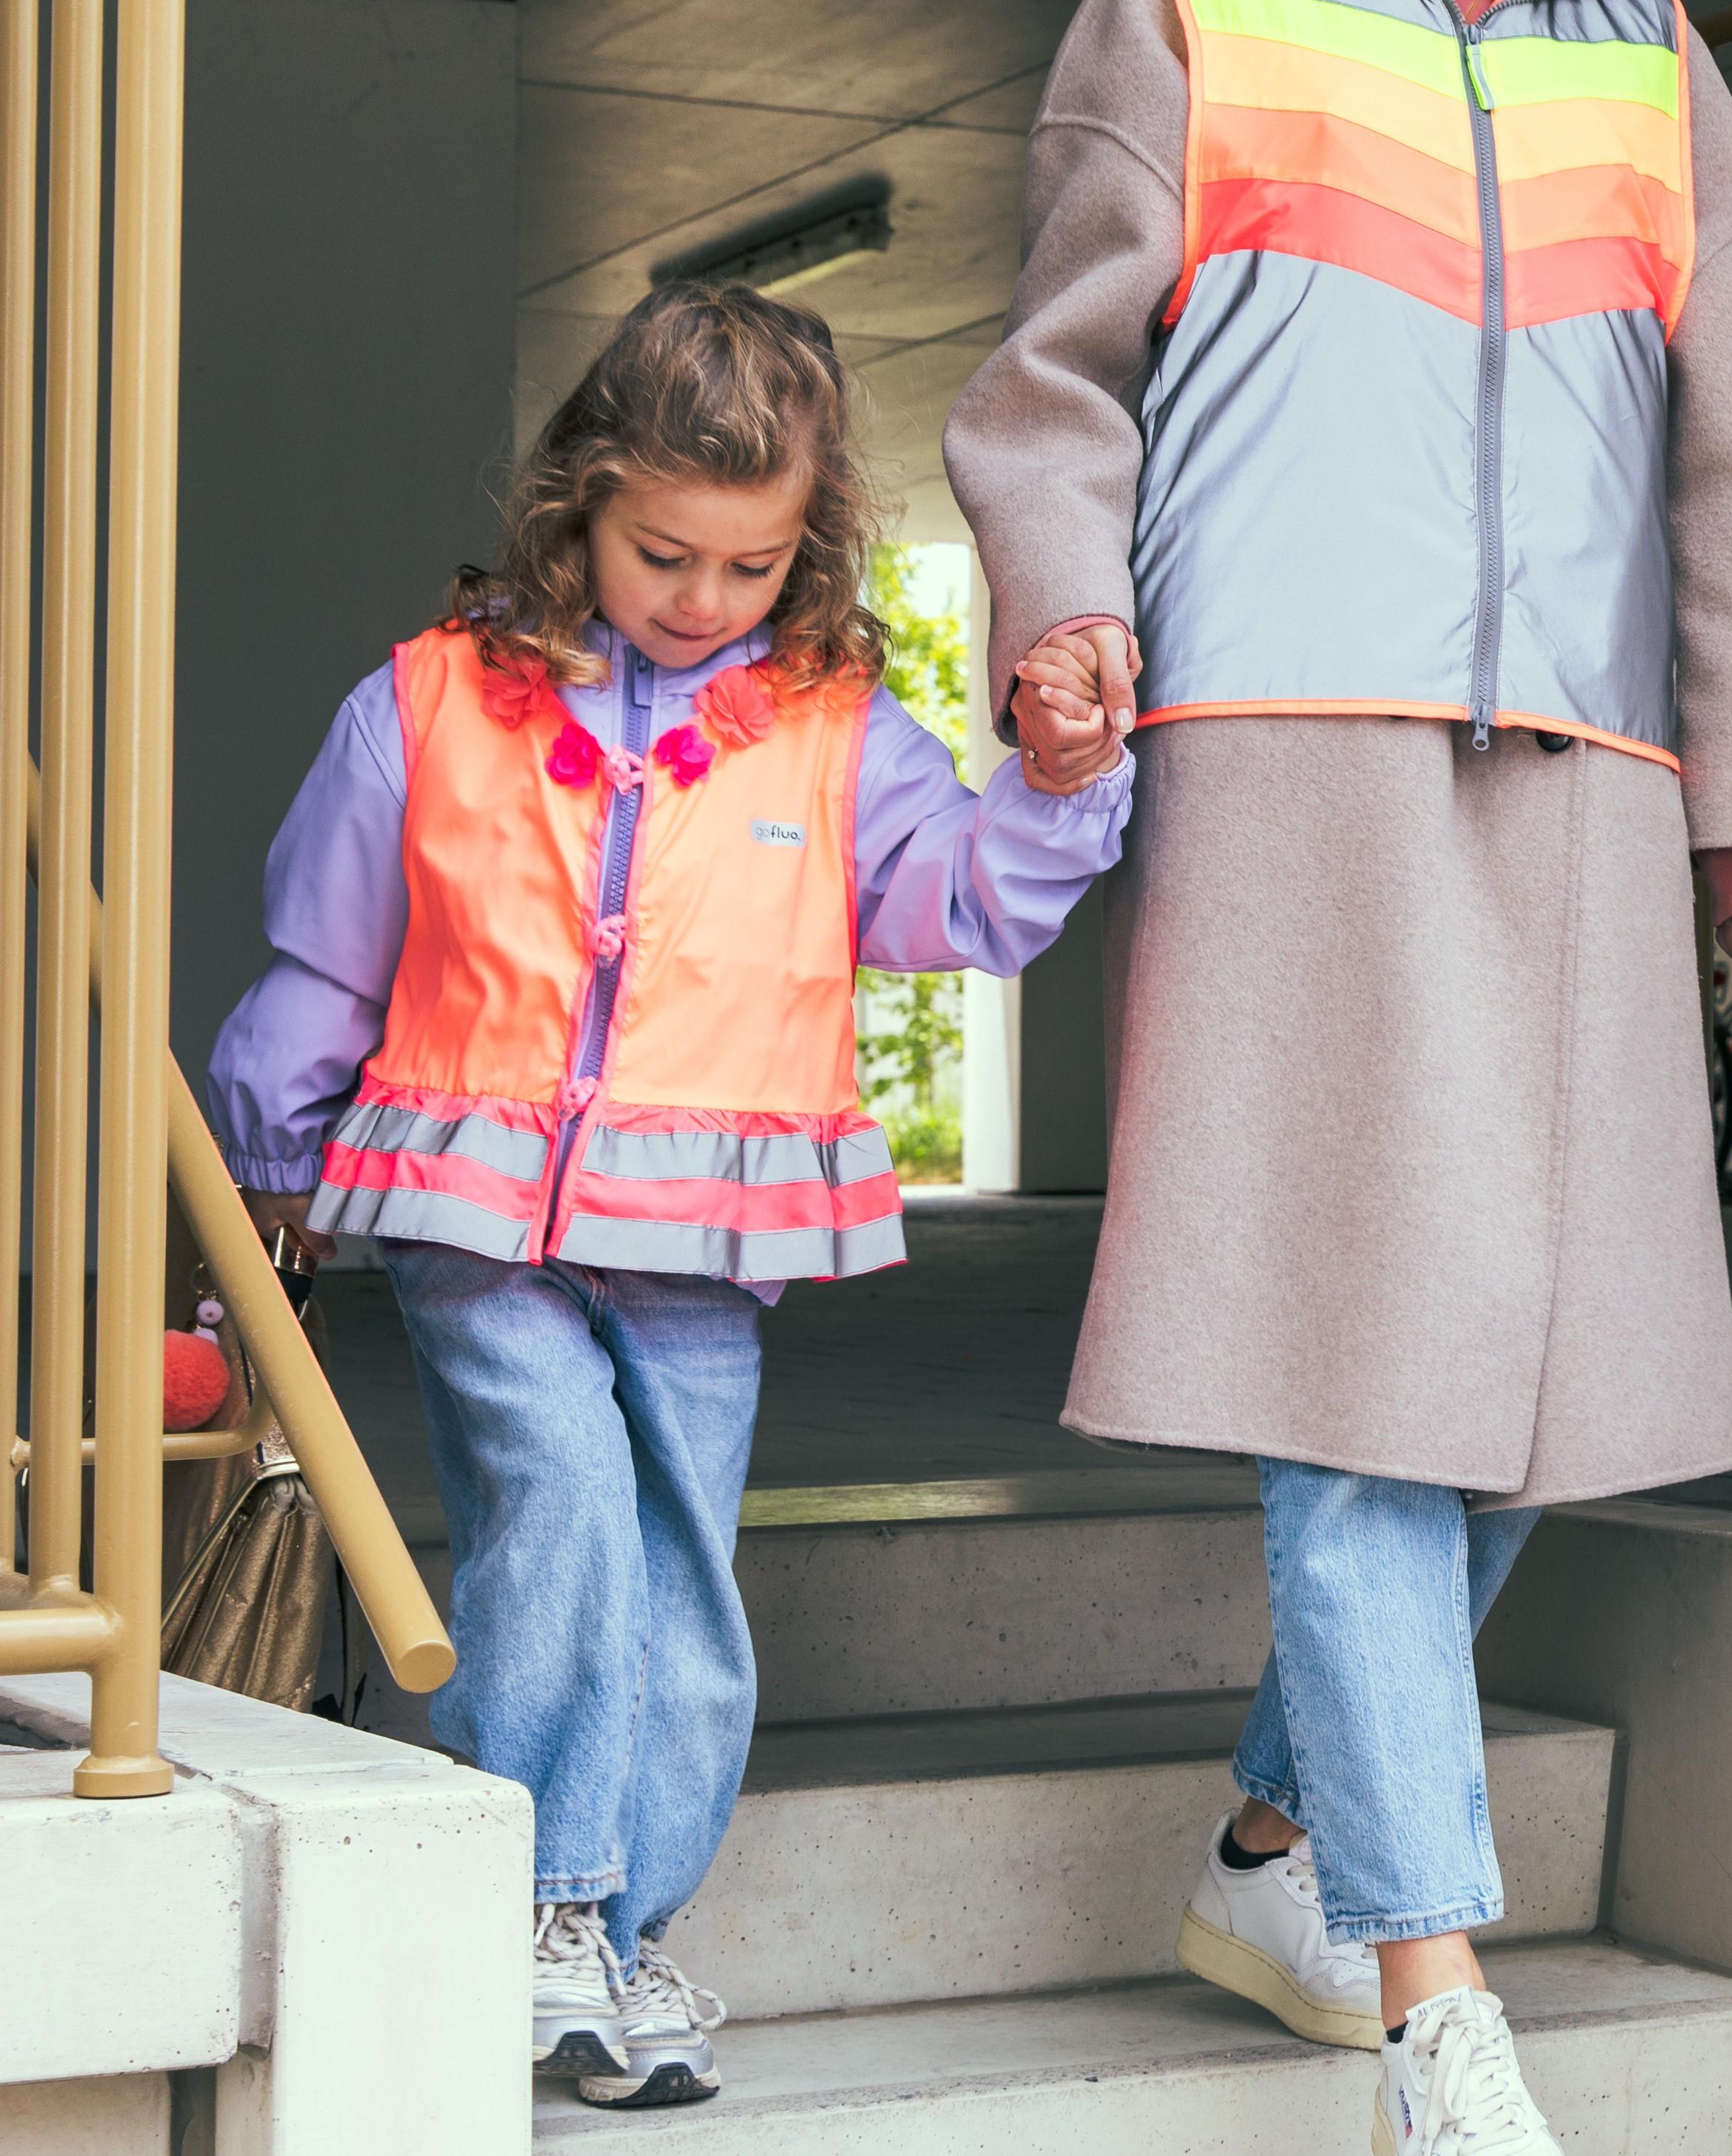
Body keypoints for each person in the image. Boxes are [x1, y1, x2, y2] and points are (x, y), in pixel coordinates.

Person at [948, 0, 1732, 2156]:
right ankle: (1444, 2009)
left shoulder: (1642, 47)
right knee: (1362, 1374)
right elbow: (1053, 380)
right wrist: (1065, 599)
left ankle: (1280, 1840)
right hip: (1292, 756)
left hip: (1574, 771)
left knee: (1533, 1389)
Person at [208, 280, 1135, 2111]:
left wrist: (1058, 779)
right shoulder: (427, 702)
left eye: (751, 565)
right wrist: (269, 1148)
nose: (706, 599)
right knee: (554, 1506)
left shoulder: (838, 728)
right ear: (579, 502)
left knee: (681, 1584)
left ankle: (621, 1932)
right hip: (479, 1216)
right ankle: (541, 1897)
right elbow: (329, 954)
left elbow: (961, 901)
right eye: (663, 554)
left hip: (708, 1242)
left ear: (809, 545)